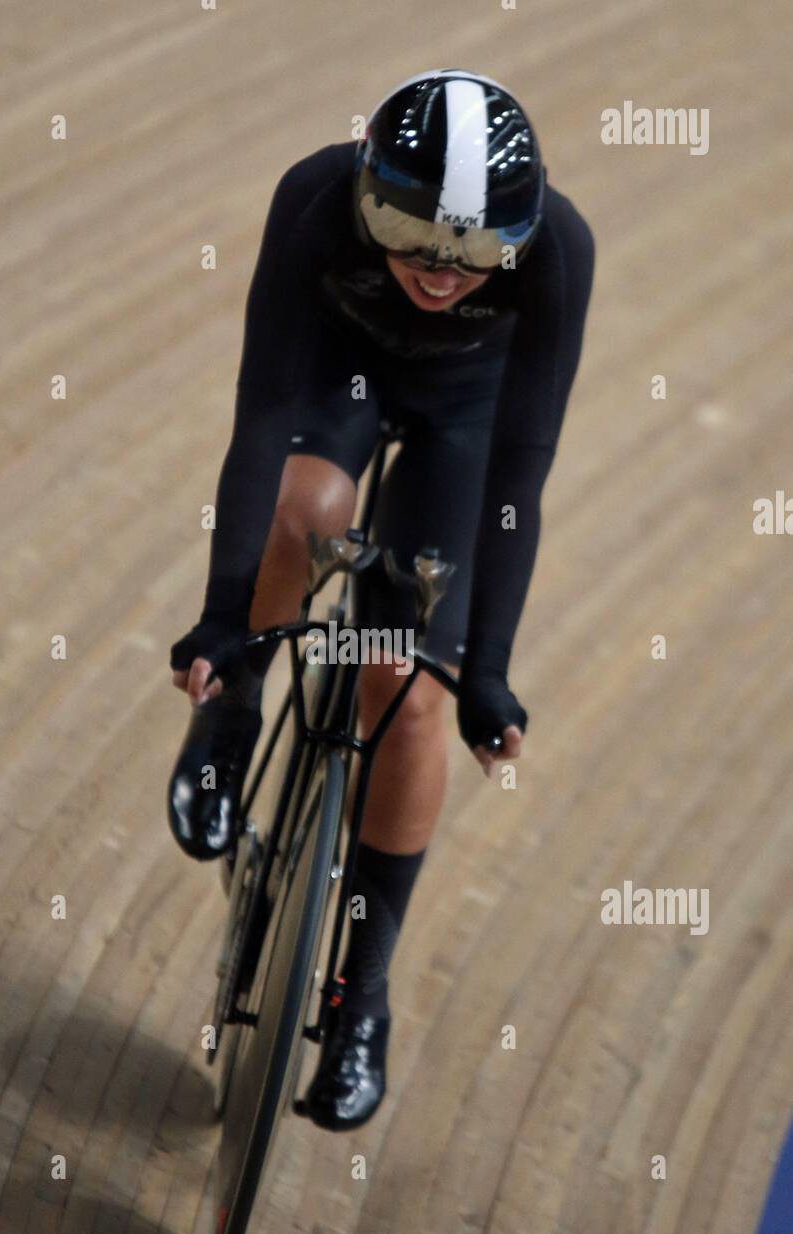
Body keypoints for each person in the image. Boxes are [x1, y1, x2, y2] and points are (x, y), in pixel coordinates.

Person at [168, 69, 594, 1131]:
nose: (439, 274)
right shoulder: (313, 195)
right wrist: (226, 618)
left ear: (523, 227)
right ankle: (233, 718)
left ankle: (361, 993)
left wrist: (485, 668)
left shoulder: (558, 251)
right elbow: (261, 418)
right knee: (304, 498)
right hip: (335, 380)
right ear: (364, 191)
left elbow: (516, 478)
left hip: (462, 419)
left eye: (471, 254)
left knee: (404, 695)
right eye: (405, 235)